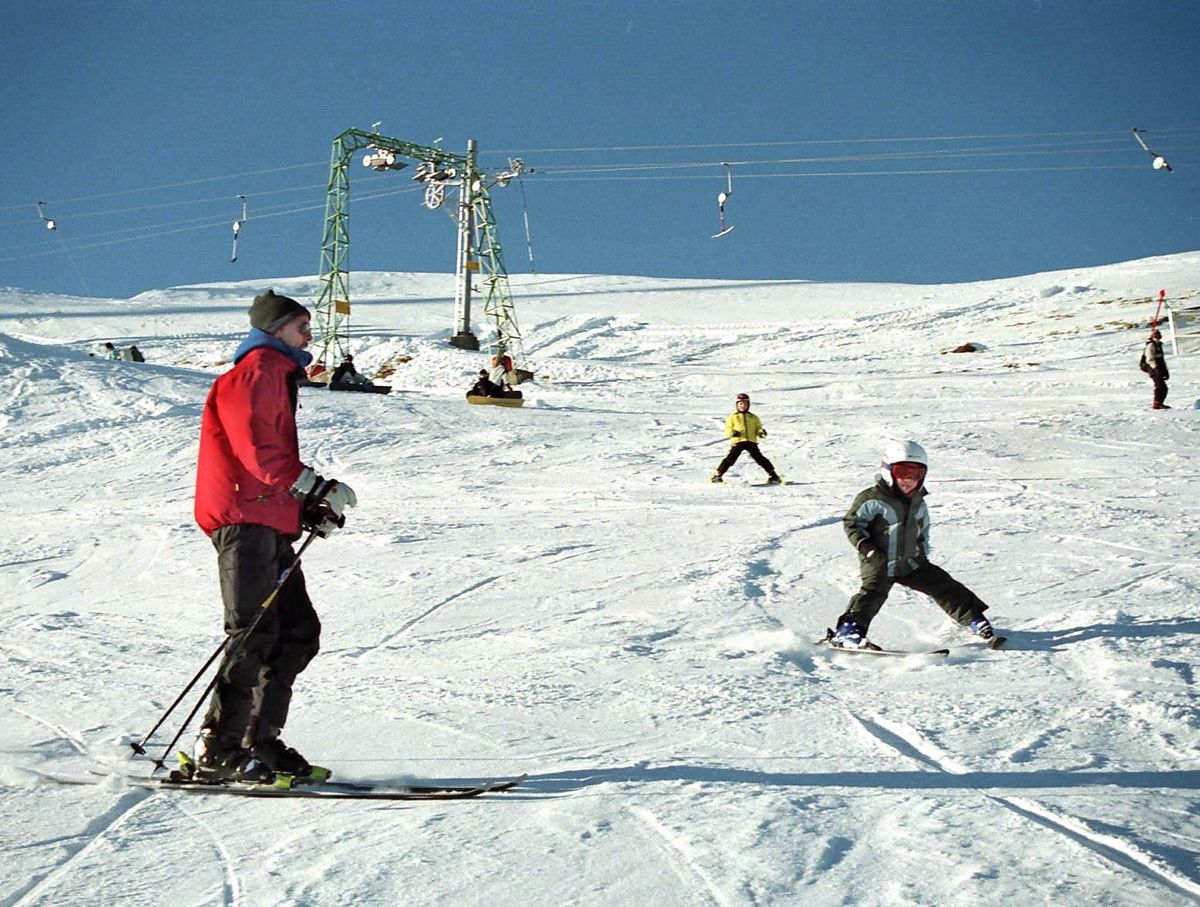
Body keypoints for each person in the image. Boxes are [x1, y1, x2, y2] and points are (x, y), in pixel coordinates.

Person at [193, 289, 358, 782]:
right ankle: (219, 749)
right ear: (275, 328)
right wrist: (313, 485)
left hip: (267, 520)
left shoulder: (276, 375)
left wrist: (307, 507)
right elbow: (258, 453)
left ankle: (258, 741)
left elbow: (268, 465)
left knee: (295, 632)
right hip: (243, 521)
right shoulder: (256, 371)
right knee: (252, 632)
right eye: (301, 325)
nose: (309, 334)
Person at [829, 440, 995, 649]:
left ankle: (973, 619)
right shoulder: (872, 499)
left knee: (945, 585)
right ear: (888, 471)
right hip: (880, 561)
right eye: (902, 472)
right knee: (871, 595)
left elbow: (922, 530)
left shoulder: (918, 501)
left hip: (911, 561)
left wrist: (922, 554)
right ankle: (848, 632)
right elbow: (852, 524)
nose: (908, 479)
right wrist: (868, 550)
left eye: (915, 474)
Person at [711, 393, 781, 484]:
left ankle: (773, 475)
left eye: (745, 404)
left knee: (760, 458)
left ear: (748, 405)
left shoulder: (753, 417)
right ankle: (717, 475)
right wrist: (733, 433)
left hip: (751, 441)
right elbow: (728, 431)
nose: (743, 406)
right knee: (730, 458)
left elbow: (758, 429)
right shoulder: (732, 417)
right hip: (739, 441)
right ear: (737, 405)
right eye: (741, 404)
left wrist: (761, 433)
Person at [1142, 329, 1170, 410]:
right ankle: (1157, 403)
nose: (1157, 337)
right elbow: (1150, 359)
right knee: (1160, 386)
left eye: (1158, 335)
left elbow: (1161, 360)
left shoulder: (1159, 345)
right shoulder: (1151, 345)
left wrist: (1165, 371)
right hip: (1153, 369)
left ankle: (1160, 403)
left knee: (1163, 387)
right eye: (1155, 336)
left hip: (1159, 368)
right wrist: (1156, 368)